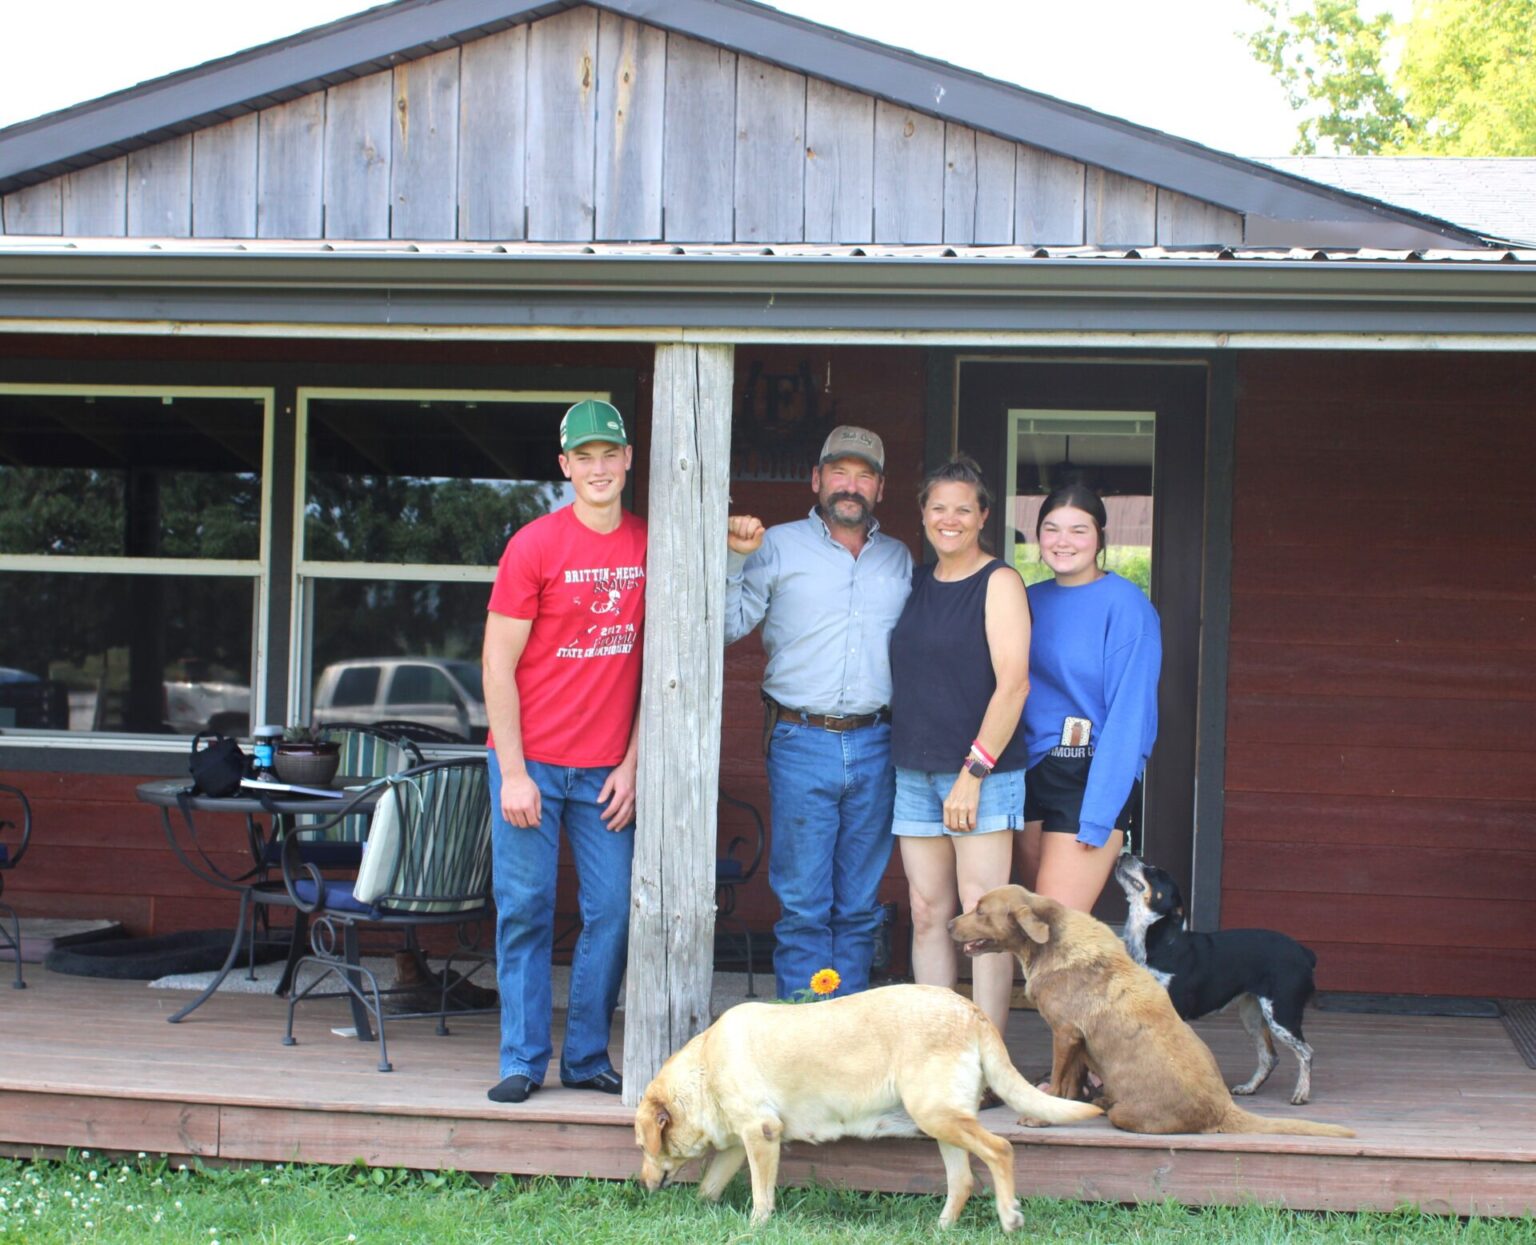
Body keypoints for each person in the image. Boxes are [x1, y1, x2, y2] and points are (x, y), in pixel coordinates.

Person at [482, 398, 646, 1104]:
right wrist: (514, 772)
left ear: (628, 460)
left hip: (608, 767)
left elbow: (663, 670)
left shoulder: (650, 544)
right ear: (565, 467)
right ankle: (522, 1058)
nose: (599, 467)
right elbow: (496, 663)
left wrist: (635, 764)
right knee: (525, 907)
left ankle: (584, 1055)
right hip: (532, 762)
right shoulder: (535, 545)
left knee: (612, 909)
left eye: (609, 453)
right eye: (585, 457)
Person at [725, 425, 913, 1000]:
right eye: (839, 471)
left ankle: (846, 1043)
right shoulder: (776, 546)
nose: (850, 485)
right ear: (817, 479)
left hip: (878, 742)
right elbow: (727, 625)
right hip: (801, 739)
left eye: (863, 475)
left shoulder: (899, 559)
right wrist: (734, 561)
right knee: (805, 904)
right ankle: (805, 1035)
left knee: (858, 905)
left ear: (880, 487)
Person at [888, 456, 1030, 1036]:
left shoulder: (999, 582)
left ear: (983, 517)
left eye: (962, 509)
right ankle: (938, 1053)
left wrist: (973, 771)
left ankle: (989, 1056)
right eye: (938, 507)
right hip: (914, 772)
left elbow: (1014, 683)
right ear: (923, 513)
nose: (949, 519)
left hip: (982, 775)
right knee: (928, 915)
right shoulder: (918, 583)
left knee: (984, 918)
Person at [1013, 481, 1161, 914]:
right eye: (1051, 529)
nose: (1063, 541)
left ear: (1100, 538)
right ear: (1038, 536)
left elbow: (1130, 718)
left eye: (1079, 530)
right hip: (1028, 771)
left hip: (1088, 775)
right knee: (1035, 929)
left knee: (1056, 930)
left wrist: (1100, 812)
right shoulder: (1027, 599)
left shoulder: (1127, 606)